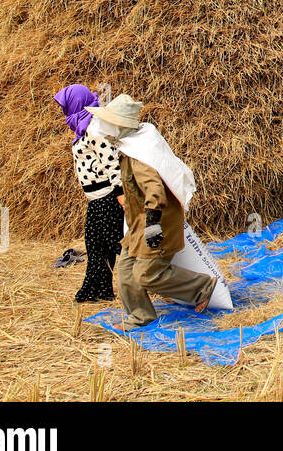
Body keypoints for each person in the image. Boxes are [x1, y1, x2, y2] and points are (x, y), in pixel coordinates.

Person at [84, 93, 214, 330]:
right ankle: (141, 317)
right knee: (125, 273)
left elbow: (154, 188)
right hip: (137, 225)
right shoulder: (129, 148)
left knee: (146, 274)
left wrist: (153, 222)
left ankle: (201, 286)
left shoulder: (139, 155)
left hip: (156, 222)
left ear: (119, 125)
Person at [53, 84, 124, 303]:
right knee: (96, 248)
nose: (64, 111)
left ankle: (178, 281)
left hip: (107, 198)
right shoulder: (84, 127)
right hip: (96, 200)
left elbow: (111, 160)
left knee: (121, 247)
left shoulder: (94, 128)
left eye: (66, 106)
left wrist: (120, 194)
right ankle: (98, 290)